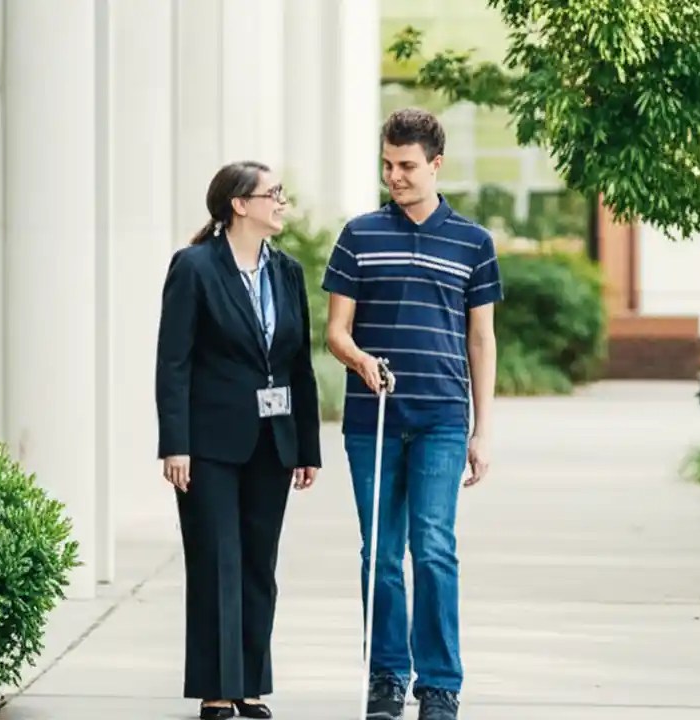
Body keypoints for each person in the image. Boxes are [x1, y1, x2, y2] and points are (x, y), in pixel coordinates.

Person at [322, 108, 503, 720]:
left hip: (443, 420)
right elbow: (336, 333)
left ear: (435, 165)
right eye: (387, 164)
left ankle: (440, 684)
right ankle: (386, 677)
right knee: (380, 553)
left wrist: (484, 430)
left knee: (432, 549)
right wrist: (360, 360)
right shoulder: (359, 235)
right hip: (371, 421)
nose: (393, 176)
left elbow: (482, 340)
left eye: (405, 166)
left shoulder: (473, 242)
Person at [155, 160, 323, 719]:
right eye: (271, 193)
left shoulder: (287, 272)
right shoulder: (196, 268)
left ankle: (249, 684)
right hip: (208, 443)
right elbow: (172, 363)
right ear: (238, 205)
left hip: (272, 443)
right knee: (214, 561)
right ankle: (215, 688)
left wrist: (306, 447)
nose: (281, 202)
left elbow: (299, 364)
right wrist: (173, 443)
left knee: (258, 565)